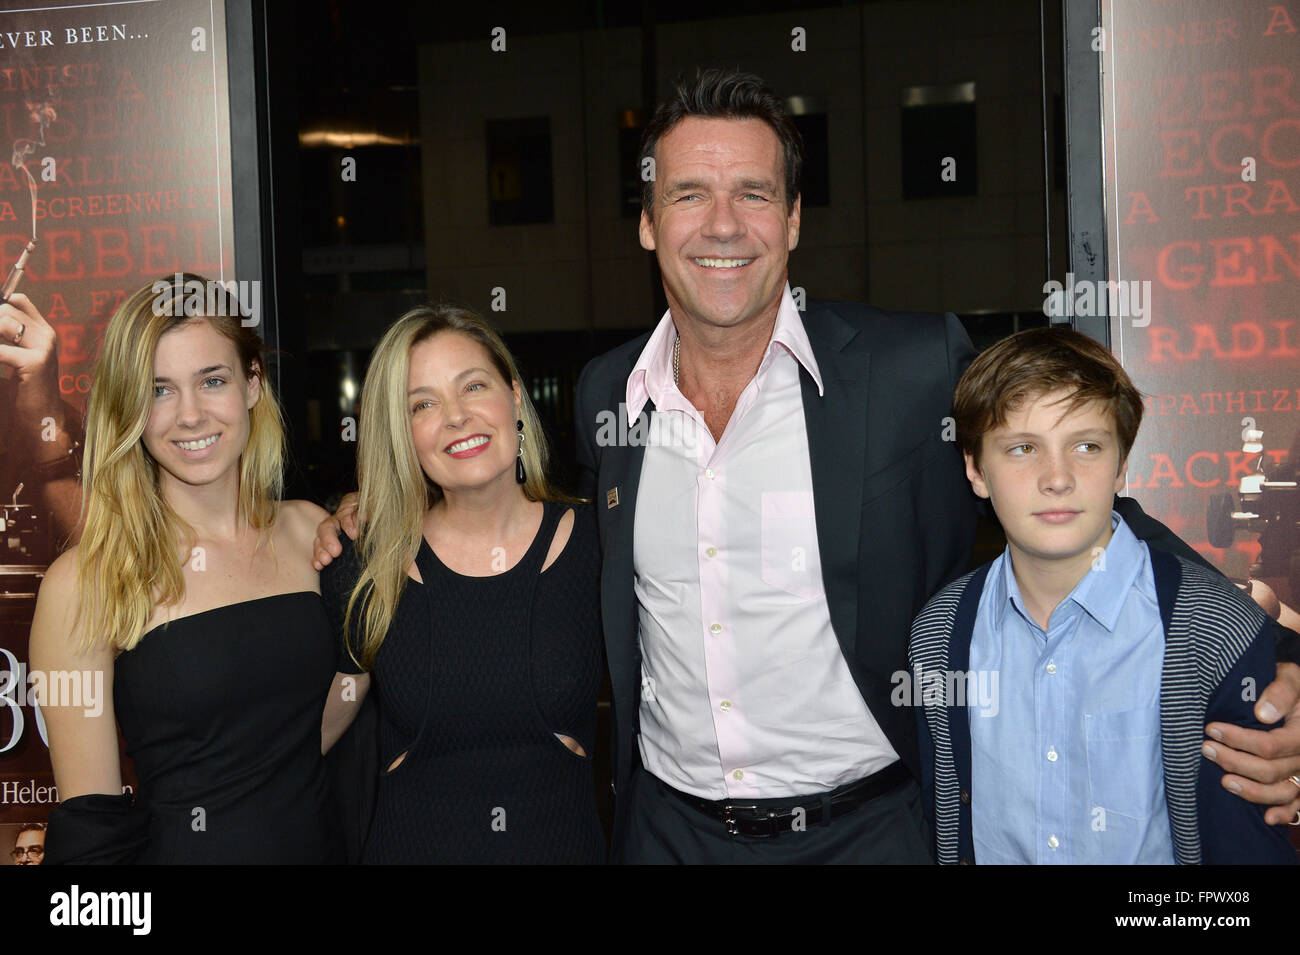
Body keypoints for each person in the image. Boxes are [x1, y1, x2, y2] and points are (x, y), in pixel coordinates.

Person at [318, 68, 1300, 860]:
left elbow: (1071, 489)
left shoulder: (908, 367)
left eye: (753, 193)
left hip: (870, 826)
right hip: (666, 829)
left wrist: (1262, 649)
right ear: (649, 224)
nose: (722, 223)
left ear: (791, 220)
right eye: (688, 194)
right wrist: (380, 502)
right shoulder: (606, 392)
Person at [910, 327, 1295, 864]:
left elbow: (1248, 843)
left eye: (1086, 446)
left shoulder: (1211, 627)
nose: (1058, 478)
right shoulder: (939, 633)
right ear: (976, 470)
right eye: (1023, 448)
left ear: (1120, 465)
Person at [30, 274, 341, 864]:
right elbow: (90, 834)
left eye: (213, 381)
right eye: (159, 390)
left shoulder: (309, 533)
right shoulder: (87, 581)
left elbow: (314, 735)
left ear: (253, 384)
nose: (190, 415)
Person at [318, 305, 606, 864]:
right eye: (423, 404)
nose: (455, 417)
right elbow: (313, 730)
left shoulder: (601, 545)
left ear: (516, 396)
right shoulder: (362, 565)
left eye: (473, 385)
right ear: (402, 435)